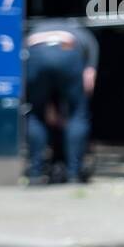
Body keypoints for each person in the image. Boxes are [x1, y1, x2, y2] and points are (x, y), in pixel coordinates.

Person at [23, 19, 99, 184]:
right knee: (78, 113)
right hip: (69, 50)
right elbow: (91, 57)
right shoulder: (79, 30)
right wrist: (90, 68)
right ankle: (74, 173)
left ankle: (35, 172)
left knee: (35, 113)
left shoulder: (36, 27)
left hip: (35, 52)